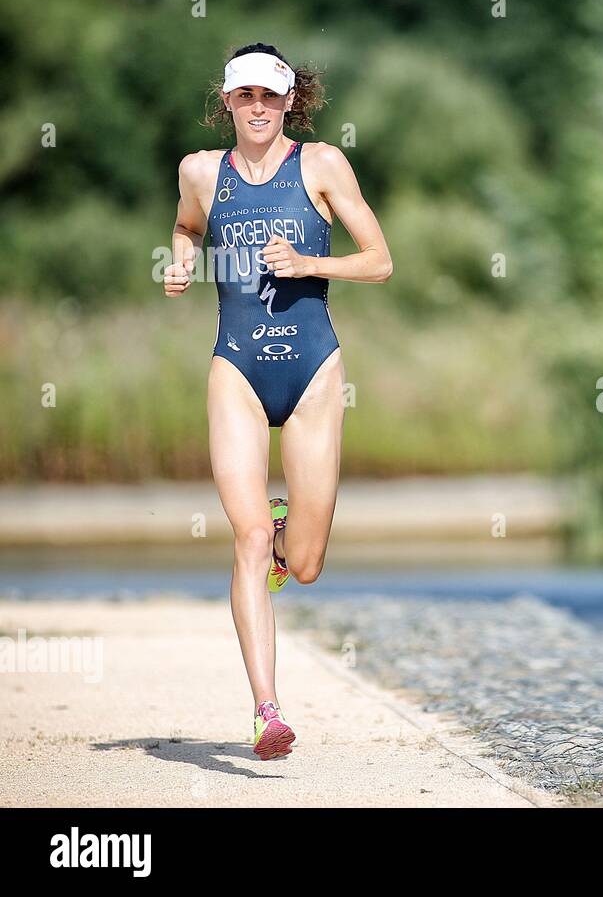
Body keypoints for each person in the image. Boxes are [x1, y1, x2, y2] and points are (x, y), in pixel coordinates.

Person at [163, 43, 392, 759]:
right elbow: (187, 226)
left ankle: (288, 535)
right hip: (235, 367)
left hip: (315, 372)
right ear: (226, 102)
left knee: (308, 561)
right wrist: (178, 259)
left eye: (271, 95)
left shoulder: (321, 164)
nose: (258, 107)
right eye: (245, 96)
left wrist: (310, 263)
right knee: (249, 537)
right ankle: (267, 709)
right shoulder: (201, 172)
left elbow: (380, 260)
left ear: (290, 100)